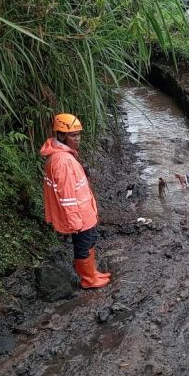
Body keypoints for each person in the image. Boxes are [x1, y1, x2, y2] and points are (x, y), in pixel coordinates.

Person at [41, 114, 111, 289]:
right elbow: (66, 197)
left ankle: (92, 273)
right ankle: (88, 279)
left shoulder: (64, 156)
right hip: (79, 216)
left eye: (79, 134)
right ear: (61, 135)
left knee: (90, 241)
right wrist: (74, 222)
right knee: (83, 245)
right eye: (73, 135)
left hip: (85, 212)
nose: (78, 139)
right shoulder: (62, 161)